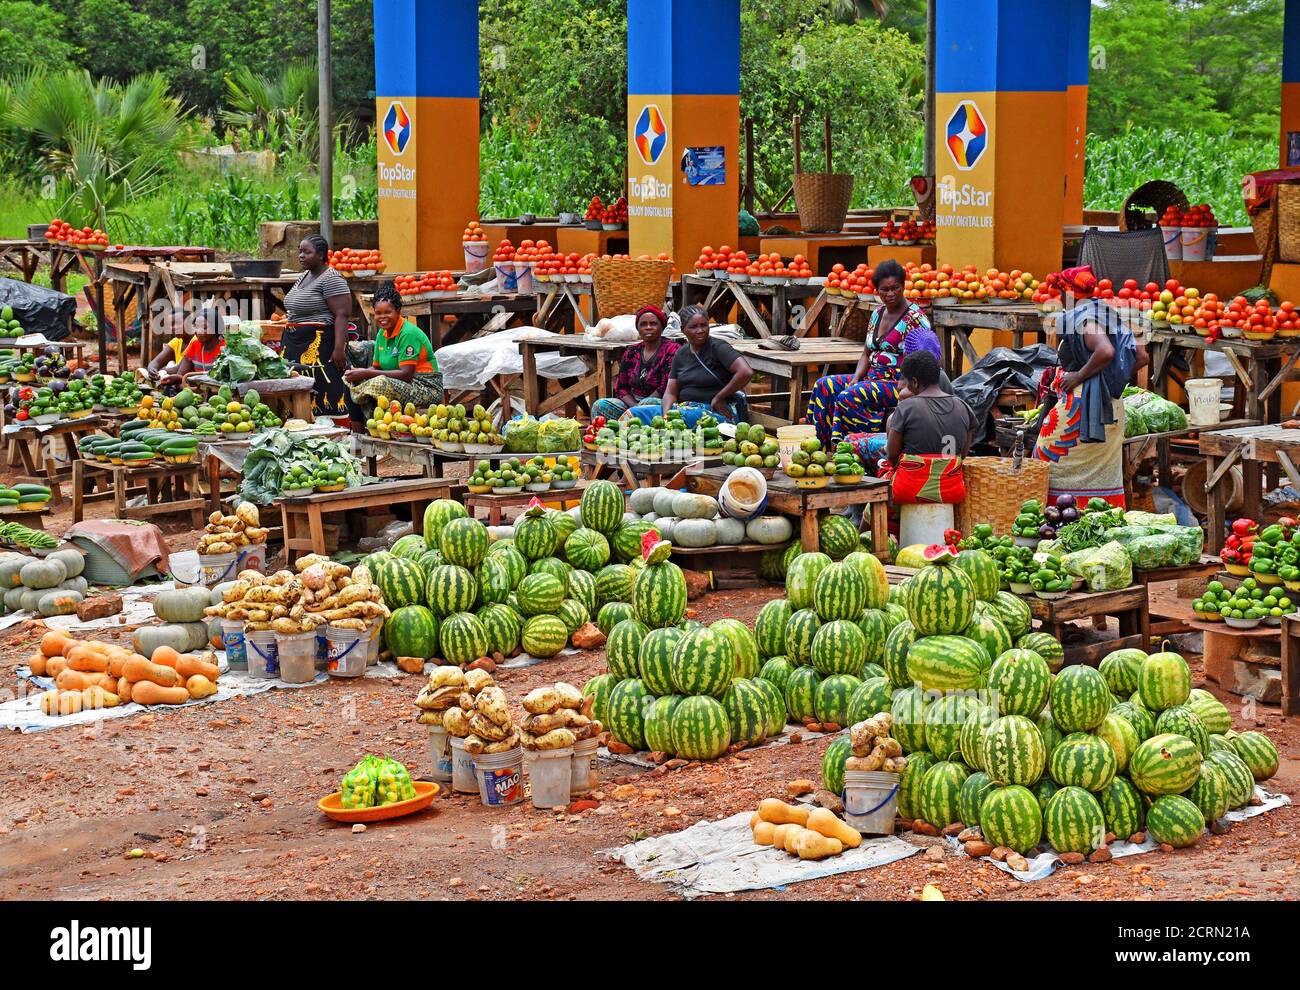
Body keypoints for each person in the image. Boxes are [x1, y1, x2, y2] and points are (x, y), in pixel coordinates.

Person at [1033, 265, 1146, 509]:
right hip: (1111, 408)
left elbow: (1105, 351)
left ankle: (1061, 519)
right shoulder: (1108, 313)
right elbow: (1141, 357)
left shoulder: (1084, 317)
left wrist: (1079, 377)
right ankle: (1098, 522)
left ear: (1069, 293)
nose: (1060, 298)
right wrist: (1112, 379)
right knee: (1102, 476)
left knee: (1044, 464)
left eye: (1062, 293)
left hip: (1081, 409)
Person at [807, 259, 942, 446]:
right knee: (824, 385)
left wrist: (905, 382)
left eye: (895, 288)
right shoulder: (877, 314)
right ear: (877, 291)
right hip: (871, 377)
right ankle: (818, 448)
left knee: (849, 396)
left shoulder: (915, 318)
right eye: (884, 290)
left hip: (897, 383)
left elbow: (925, 359)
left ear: (903, 286)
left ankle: (857, 446)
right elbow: (865, 353)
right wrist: (856, 377)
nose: (890, 294)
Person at [343, 282, 443, 430]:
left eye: (387, 312)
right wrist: (358, 374)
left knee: (380, 383)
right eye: (378, 313)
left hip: (425, 386)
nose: (382, 317)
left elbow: (406, 374)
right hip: (401, 383)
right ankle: (358, 436)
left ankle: (376, 429)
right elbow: (375, 367)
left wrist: (366, 372)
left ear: (398, 311)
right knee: (349, 381)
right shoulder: (381, 334)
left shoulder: (408, 333)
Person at [281, 234, 354, 417]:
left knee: (323, 387)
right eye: (300, 252)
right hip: (295, 344)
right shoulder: (305, 275)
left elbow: (342, 314)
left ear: (321, 255)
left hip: (320, 345)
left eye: (307, 252)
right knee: (298, 390)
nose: (301, 256)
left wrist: (339, 349)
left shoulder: (331, 278)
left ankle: (329, 425)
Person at [655, 304, 752, 426]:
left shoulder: (718, 347)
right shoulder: (681, 353)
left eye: (704, 325)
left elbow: (745, 372)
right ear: (682, 329)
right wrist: (665, 416)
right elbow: (670, 392)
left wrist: (719, 397)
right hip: (684, 408)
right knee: (638, 412)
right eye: (693, 327)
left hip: (714, 412)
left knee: (679, 420)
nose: (700, 330)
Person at [884, 350, 978, 469]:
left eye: (908, 383)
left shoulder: (905, 408)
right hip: (951, 485)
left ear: (915, 382)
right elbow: (963, 455)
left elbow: (892, 457)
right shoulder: (964, 407)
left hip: (915, 484)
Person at [590, 304, 680, 422]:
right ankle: (605, 438)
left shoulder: (672, 350)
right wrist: (634, 407)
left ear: (662, 327)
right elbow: (621, 387)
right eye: (643, 324)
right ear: (637, 328)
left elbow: (665, 387)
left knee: (647, 403)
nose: (648, 327)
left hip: (660, 404)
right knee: (600, 405)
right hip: (632, 404)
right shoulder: (631, 351)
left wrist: (639, 408)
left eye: (653, 324)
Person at [143, 304, 225, 391]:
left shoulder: (225, 348)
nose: (199, 331)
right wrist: (178, 381)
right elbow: (181, 377)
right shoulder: (194, 344)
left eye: (205, 327)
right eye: (197, 327)